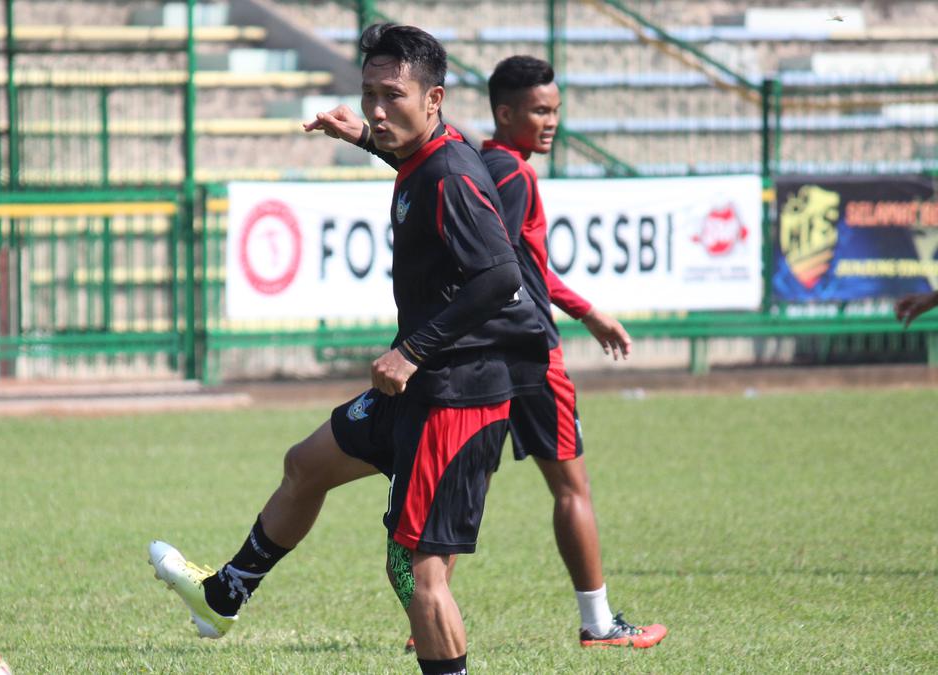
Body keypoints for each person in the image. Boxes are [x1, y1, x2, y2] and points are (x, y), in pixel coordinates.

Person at [149, 24, 548, 675]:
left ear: (435, 98)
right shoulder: (428, 155)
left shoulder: (449, 172)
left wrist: (413, 349)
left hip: (455, 397)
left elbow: (500, 275)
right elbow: (412, 161)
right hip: (417, 387)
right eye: (369, 95)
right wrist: (359, 136)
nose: (378, 109)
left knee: (420, 572)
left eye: (392, 96)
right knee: (306, 463)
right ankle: (225, 594)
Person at [308, 54, 666, 649]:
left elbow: (433, 173)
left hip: (484, 352)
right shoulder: (509, 174)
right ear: (506, 113)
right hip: (525, 353)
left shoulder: (477, 157)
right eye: (540, 111)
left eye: (555, 110)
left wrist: (366, 137)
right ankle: (597, 623)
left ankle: (428, 619)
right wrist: (584, 311)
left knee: (455, 487)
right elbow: (507, 271)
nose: (551, 121)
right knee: (570, 487)